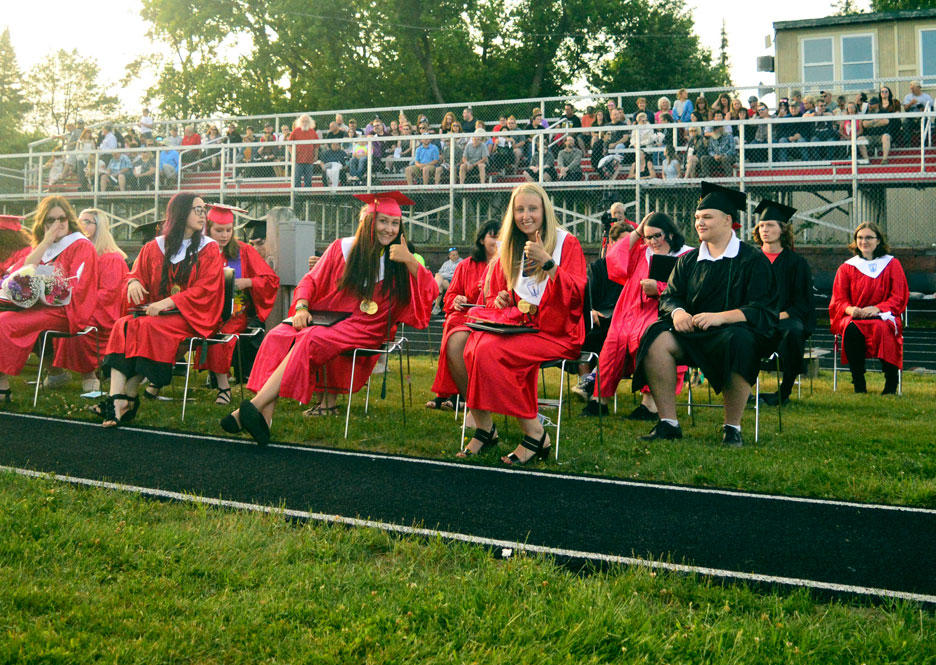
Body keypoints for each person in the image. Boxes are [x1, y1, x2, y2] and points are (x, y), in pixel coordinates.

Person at [220, 192, 436, 445]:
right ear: (369, 222)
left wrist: (409, 260)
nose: (389, 229)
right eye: (383, 221)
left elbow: (430, 292)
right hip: (333, 318)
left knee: (311, 338)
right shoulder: (342, 248)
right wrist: (302, 307)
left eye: (395, 223)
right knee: (277, 335)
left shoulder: (401, 257)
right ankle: (262, 421)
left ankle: (252, 408)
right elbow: (310, 281)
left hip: (368, 326)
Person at [631, 183, 779, 446]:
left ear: (727, 220)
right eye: (697, 217)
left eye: (707, 217)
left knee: (741, 342)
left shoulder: (752, 259)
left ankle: (732, 427)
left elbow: (763, 307)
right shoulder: (688, 260)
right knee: (655, 336)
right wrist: (678, 313)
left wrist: (721, 317)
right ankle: (668, 423)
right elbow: (670, 296)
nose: (700, 222)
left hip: (731, 333)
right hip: (690, 333)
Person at [460, 183, 586, 464]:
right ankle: (484, 428)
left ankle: (535, 433)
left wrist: (548, 263)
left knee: (490, 350)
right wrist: (502, 298)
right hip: (522, 326)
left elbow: (577, 297)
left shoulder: (567, 243)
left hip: (558, 331)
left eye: (532, 209)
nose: (526, 216)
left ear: (544, 210)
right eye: (519, 210)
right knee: (471, 347)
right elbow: (496, 294)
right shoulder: (512, 245)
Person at [97, 193, 224, 427]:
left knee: (146, 327)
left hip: (191, 316)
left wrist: (168, 302)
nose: (202, 215)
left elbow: (206, 288)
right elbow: (135, 273)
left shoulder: (209, 248)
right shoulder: (154, 247)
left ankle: (124, 398)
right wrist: (133, 282)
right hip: (158, 316)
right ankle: (118, 399)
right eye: (196, 209)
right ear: (180, 213)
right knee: (123, 325)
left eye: (203, 209)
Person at [583, 213, 693, 419]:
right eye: (648, 237)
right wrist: (637, 231)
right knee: (614, 343)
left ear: (670, 233)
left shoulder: (686, 256)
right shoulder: (642, 252)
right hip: (630, 312)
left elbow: (690, 290)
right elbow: (613, 259)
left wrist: (659, 288)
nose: (653, 241)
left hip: (664, 315)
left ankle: (650, 405)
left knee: (650, 341)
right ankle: (599, 400)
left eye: (658, 235)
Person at [0, 196, 99, 403]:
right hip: (40, 308)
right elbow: (21, 272)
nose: (57, 224)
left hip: (65, 310)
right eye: (50, 220)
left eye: (62, 218)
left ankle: (2, 387)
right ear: (43, 223)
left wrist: (45, 290)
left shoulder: (81, 245)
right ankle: (46, 374)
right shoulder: (45, 247)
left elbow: (78, 287)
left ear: (69, 219)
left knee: (5, 323)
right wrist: (45, 242)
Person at [189, 204, 280, 403]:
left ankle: (224, 387)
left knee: (218, 333)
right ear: (208, 229)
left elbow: (270, 280)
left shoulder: (243, 251)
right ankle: (154, 380)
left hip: (233, 313)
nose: (224, 235)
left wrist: (248, 282)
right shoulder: (198, 251)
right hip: (202, 310)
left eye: (228, 230)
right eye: (219, 230)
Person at [46, 209, 129, 393]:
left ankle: (89, 375)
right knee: (49, 321)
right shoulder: (75, 251)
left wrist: (80, 303)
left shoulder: (111, 258)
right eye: (80, 221)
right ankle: (55, 373)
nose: (82, 225)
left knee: (78, 324)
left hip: (101, 312)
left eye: (87, 221)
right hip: (76, 305)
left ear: (100, 227)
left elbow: (109, 294)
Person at [426, 220, 500, 411]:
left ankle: (460, 393)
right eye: (493, 236)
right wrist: (457, 300)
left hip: (496, 318)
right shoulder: (466, 265)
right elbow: (450, 296)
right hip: (467, 315)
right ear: (482, 240)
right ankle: (450, 391)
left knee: (460, 329)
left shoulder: (508, 265)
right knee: (452, 322)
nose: (497, 241)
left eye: (501, 237)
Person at [829, 222, 908, 395]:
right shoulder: (847, 267)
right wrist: (850, 309)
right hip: (855, 317)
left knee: (883, 330)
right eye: (860, 238)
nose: (864, 241)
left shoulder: (892, 264)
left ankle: (891, 382)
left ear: (878, 240)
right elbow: (839, 299)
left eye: (869, 237)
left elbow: (899, 296)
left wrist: (878, 308)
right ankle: (859, 382)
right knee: (851, 329)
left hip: (884, 316)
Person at [751, 200, 815, 406]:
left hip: (785, 317)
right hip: (753, 316)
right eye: (761, 225)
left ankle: (784, 390)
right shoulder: (750, 260)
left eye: (770, 225)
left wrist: (779, 315)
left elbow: (802, 301)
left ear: (782, 230)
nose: (764, 229)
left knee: (794, 331)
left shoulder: (796, 263)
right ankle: (742, 390)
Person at [570, 220, 627, 402]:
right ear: (612, 243)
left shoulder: (637, 266)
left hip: (624, 319)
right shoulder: (598, 267)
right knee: (585, 329)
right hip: (600, 315)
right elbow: (587, 296)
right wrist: (591, 310)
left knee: (615, 335)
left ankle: (591, 383)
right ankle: (585, 380)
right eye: (623, 242)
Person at [432, 247, 462, 315]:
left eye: (456, 254)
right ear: (449, 256)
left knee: (439, 278)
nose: (455, 256)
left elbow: (456, 275)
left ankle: (433, 295)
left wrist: (444, 275)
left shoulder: (461, 262)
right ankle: (437, 306)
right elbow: (440, 272)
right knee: (440, 282)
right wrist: (444, 275)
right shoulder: (446, 263)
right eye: (453, 255)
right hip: (445, 281)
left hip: (454, 282)